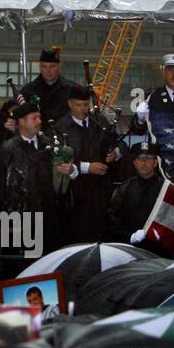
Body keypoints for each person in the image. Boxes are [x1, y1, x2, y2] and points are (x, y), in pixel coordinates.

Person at [51, 84, 119, 244]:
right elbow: (58, 159)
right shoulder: (60, 128)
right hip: (76, 195)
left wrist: (115, 153)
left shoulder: (99, 122)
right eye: (78, 105)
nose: (83, 109)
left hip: (102, 191)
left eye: (85, 104)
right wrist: (88, 167)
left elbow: (117, 142)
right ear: (69, 104)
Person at [0, 100, 66, 253]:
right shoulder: (9, 149)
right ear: (21, 121)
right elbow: (3, 188)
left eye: (40, 117)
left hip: (47, 218)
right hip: (21, 219)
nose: (39, 121)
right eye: (34, 118)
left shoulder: (47, 145)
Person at [106, 143, 165, 244]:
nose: (144, 162)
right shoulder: (125, 188)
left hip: (159, 244)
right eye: (139, 159)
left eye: (148, 158)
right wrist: (130, 236)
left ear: (155, 163)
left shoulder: (165, 188)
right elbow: (113, 218)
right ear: (134, 163)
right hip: (130, 244)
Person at [20, 45, 76, 128]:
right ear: (40, 67)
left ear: (60, 66)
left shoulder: (72, 90)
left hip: (65, 136)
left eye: (52, 66)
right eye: (44, 66)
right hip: (37, 136)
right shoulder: (28, 90)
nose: (48, 70)